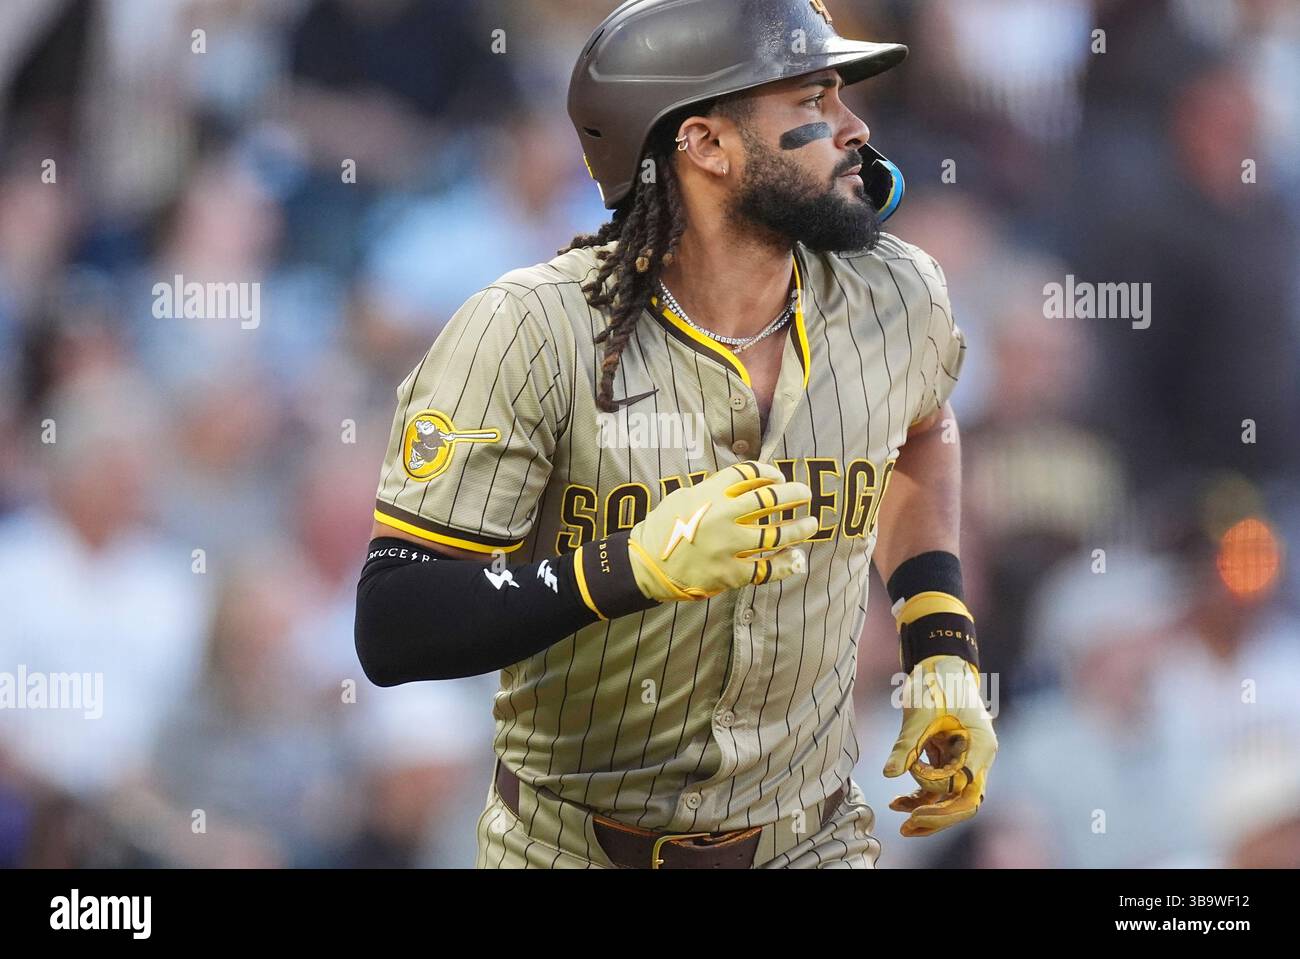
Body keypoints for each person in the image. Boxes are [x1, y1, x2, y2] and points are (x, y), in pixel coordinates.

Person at [354, 0, 995, 869]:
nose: (855, 127)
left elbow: (924, 424)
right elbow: (394, 624)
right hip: (572, 849)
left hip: (813, 842)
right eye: (814, 103)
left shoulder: (897, 293)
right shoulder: (528, 330)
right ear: (706, 145)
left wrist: (938, 638)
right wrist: (631, 567)